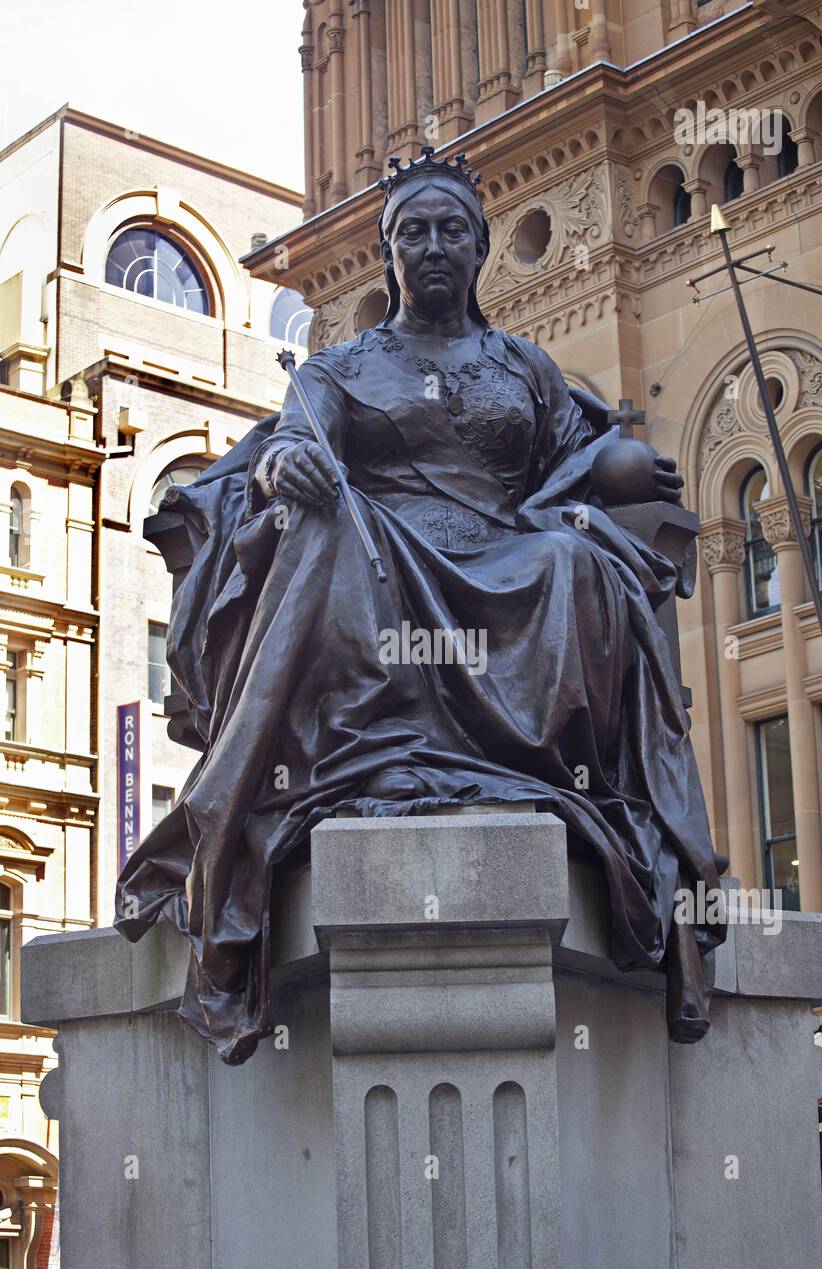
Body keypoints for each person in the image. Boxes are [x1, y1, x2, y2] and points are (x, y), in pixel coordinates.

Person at [116, 148, 724, 1064]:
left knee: (574, 559)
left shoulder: (525, 366)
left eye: (450, 230)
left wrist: (618, 467)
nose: (432, 245)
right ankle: (265, 796)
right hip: (379, 554)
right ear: (387, 253)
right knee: (321, 529)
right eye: (412, 232)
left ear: (478, 250)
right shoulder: (338, 367)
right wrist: (288, 468)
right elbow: (284, 451)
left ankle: (520, 765)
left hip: (508, 553)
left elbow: (574, 462)